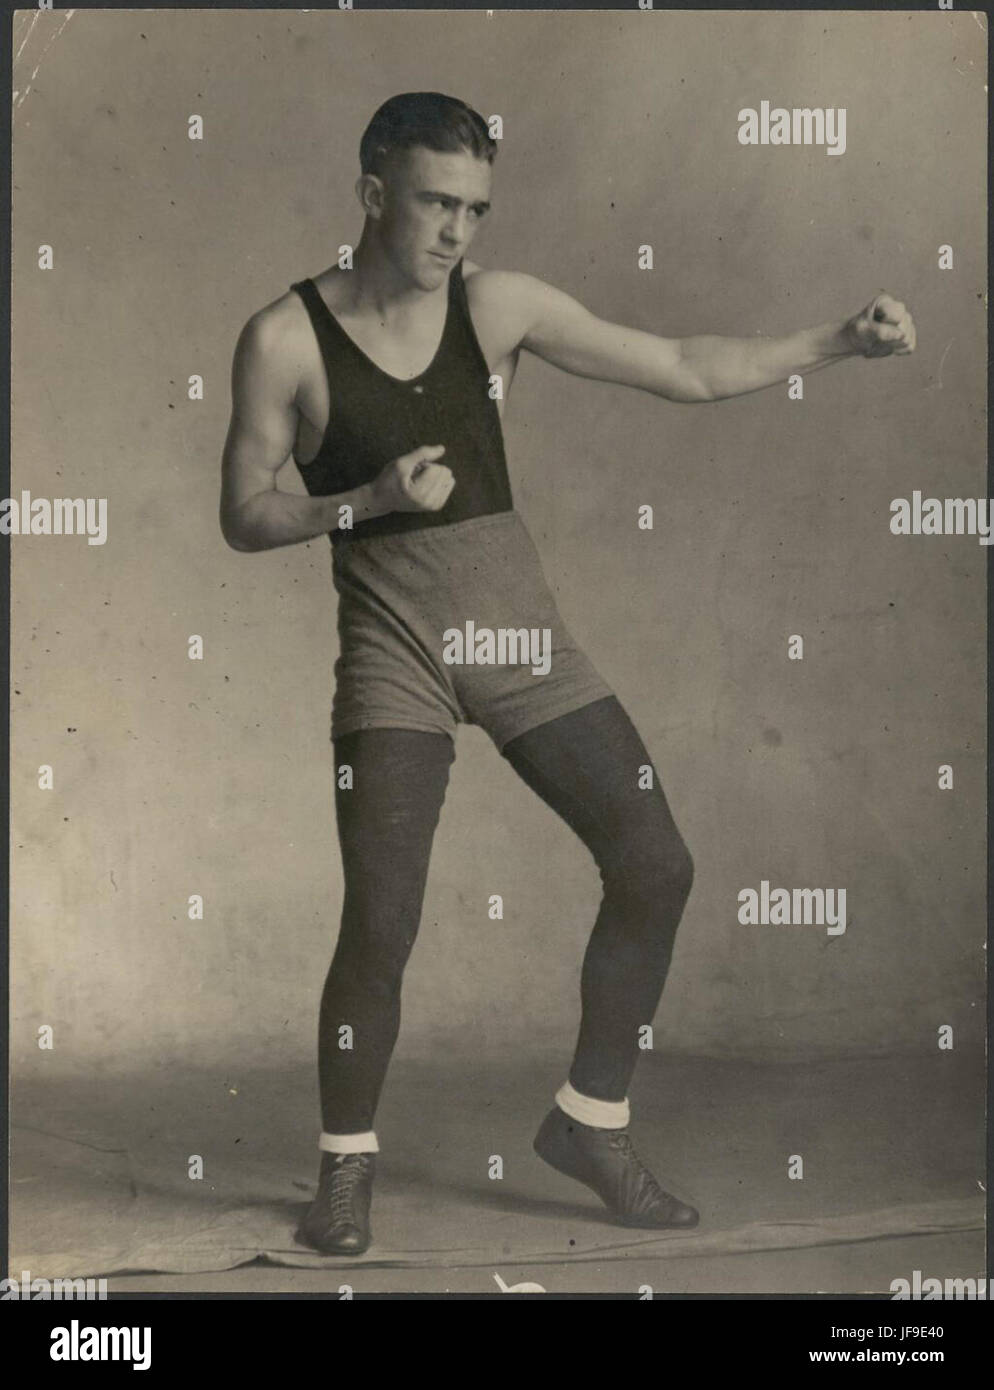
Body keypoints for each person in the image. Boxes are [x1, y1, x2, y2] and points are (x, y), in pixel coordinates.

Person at [219, 91, 916, 1256]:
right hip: (394, 659)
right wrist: (367, 502)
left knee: (656, 863)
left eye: (476, 208)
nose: (457, 232)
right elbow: (241, 514)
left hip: (520, 642)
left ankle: (590, 1121)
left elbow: (685, 366)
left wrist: (833, 341)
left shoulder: (498, 308)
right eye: (437, 202)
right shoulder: (282, 338)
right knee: (381, 923)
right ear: (373, 190)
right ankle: (345, 1168)